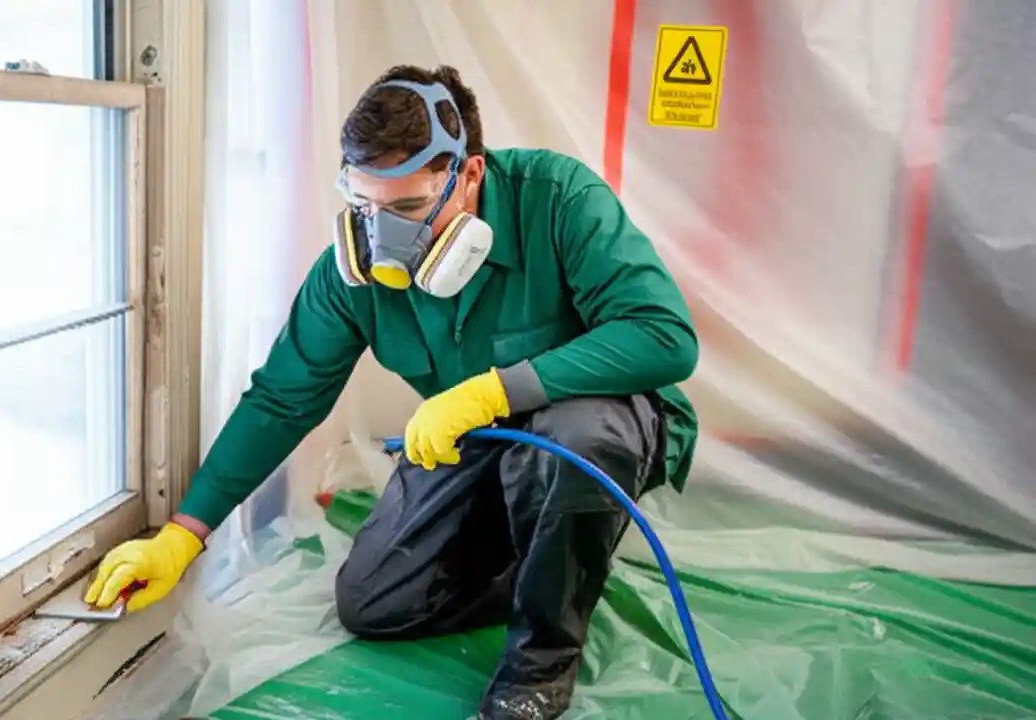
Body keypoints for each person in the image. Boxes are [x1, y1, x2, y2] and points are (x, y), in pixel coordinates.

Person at [85, 64, 699, 719]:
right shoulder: (349, 274)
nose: (384, 237)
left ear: (469, 174)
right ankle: (557, 563)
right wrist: (184, 533)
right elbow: (281, 399)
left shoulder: (558, 199)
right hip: (484, 436)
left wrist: (494, 391)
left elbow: (663, 336)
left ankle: (540, 665)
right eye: (365, 207)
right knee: (376, 602)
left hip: (596, 422)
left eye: (407, 208)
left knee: (575, 438)